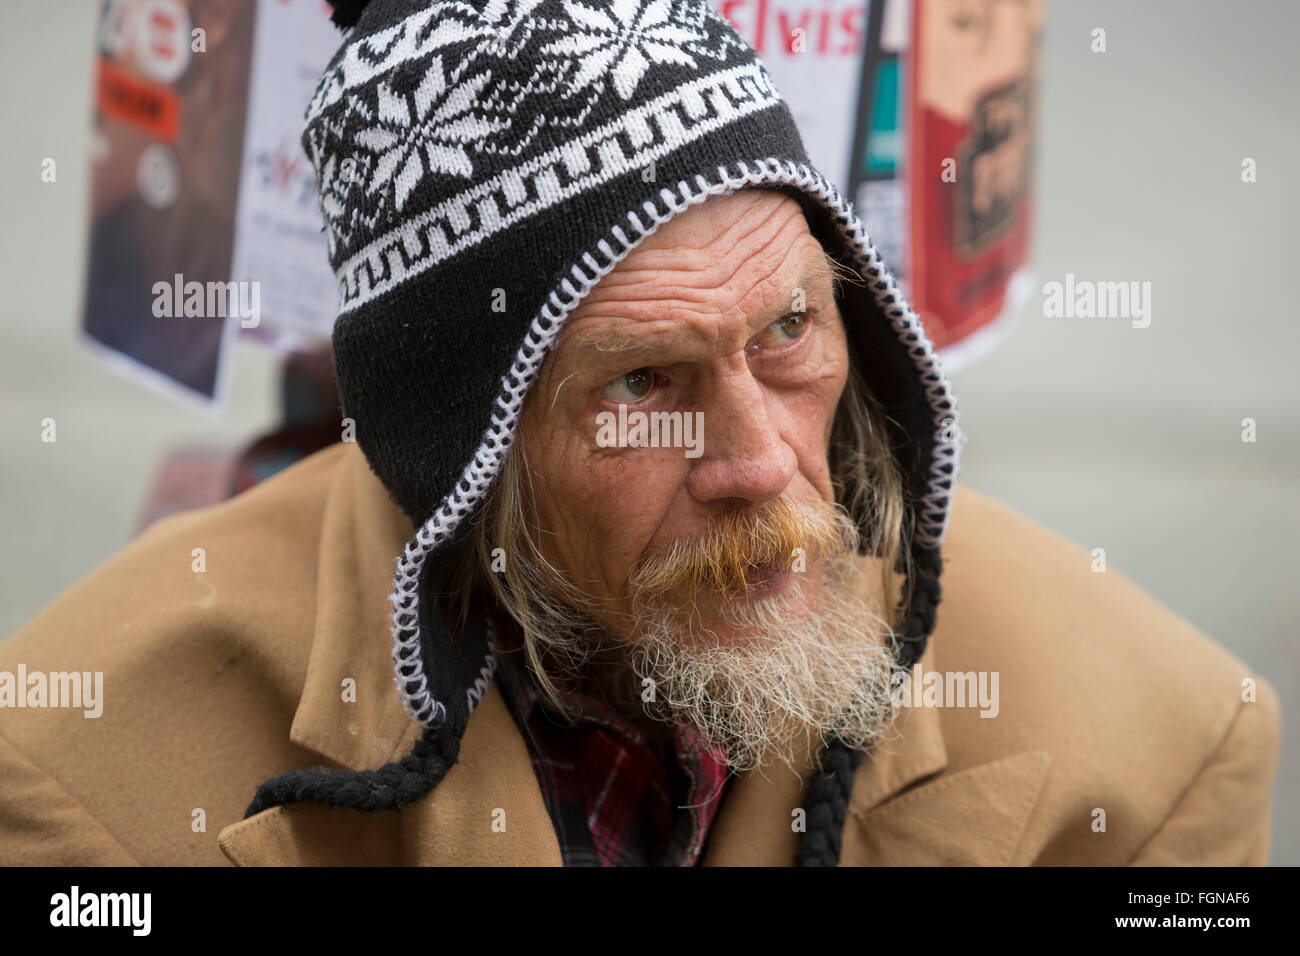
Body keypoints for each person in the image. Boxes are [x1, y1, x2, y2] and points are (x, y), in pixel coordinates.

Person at [0, 0, 1279, 866]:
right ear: (466, 452)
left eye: (786, 331)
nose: (763, 464)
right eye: (641, 384)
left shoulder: (1161, 750)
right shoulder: (84, 778)